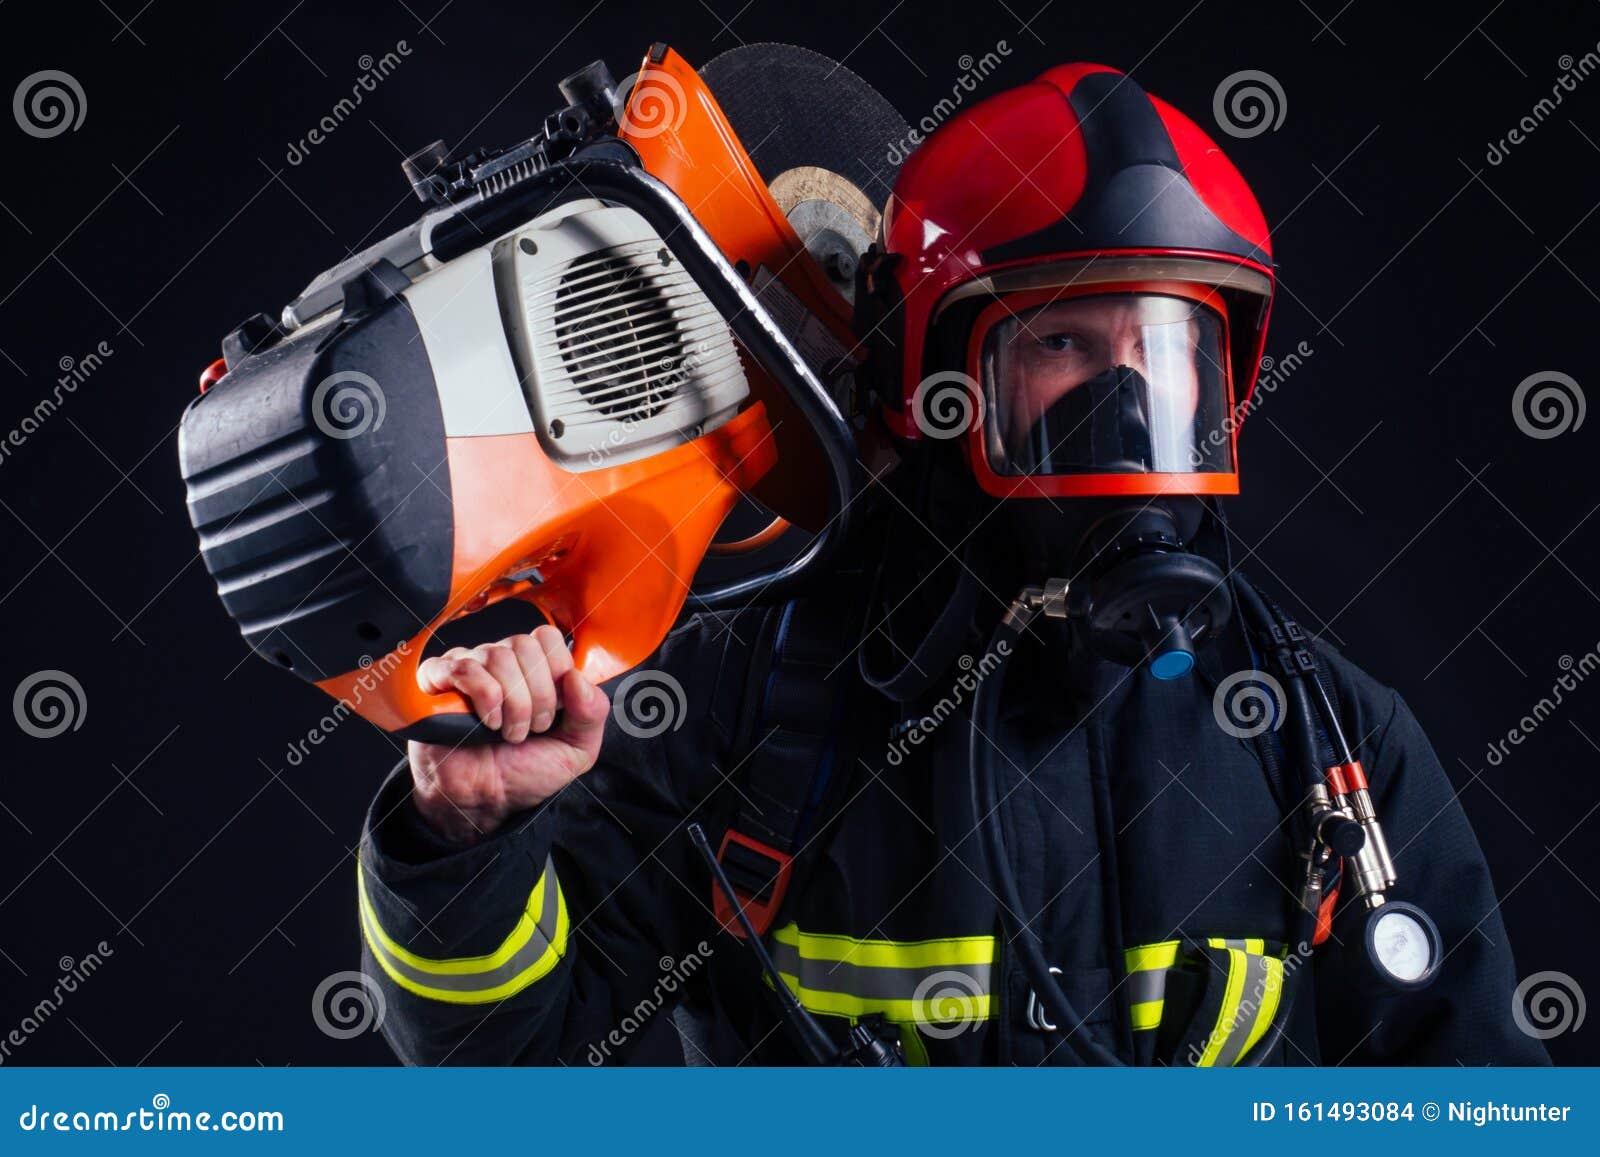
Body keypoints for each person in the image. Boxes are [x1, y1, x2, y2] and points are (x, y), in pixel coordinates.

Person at [354, 62, 1548, 1066]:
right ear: (931, 370)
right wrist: (465, 835)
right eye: (1063, 338)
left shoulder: (1323, 739)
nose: (1125, 399)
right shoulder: (738, 708)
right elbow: (491, 1066)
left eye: (1166, 341)